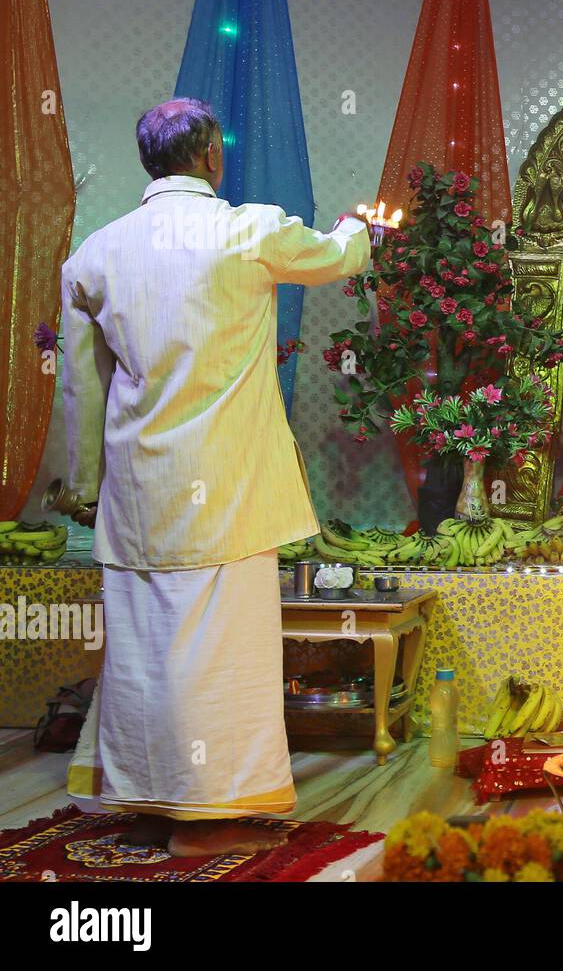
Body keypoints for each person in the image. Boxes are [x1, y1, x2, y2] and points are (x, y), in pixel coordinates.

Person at [62, 98, 374, 856]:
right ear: (211, 158)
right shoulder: (248, 229)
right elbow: (340, 258)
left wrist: (80, 484)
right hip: (229, 488)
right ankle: (214, 816)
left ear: (149, 164)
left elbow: (82, 385)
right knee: (222, 653)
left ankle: (146, 804)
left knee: (141, 649)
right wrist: (360, 223)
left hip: (139, 491)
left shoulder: (95, 255)